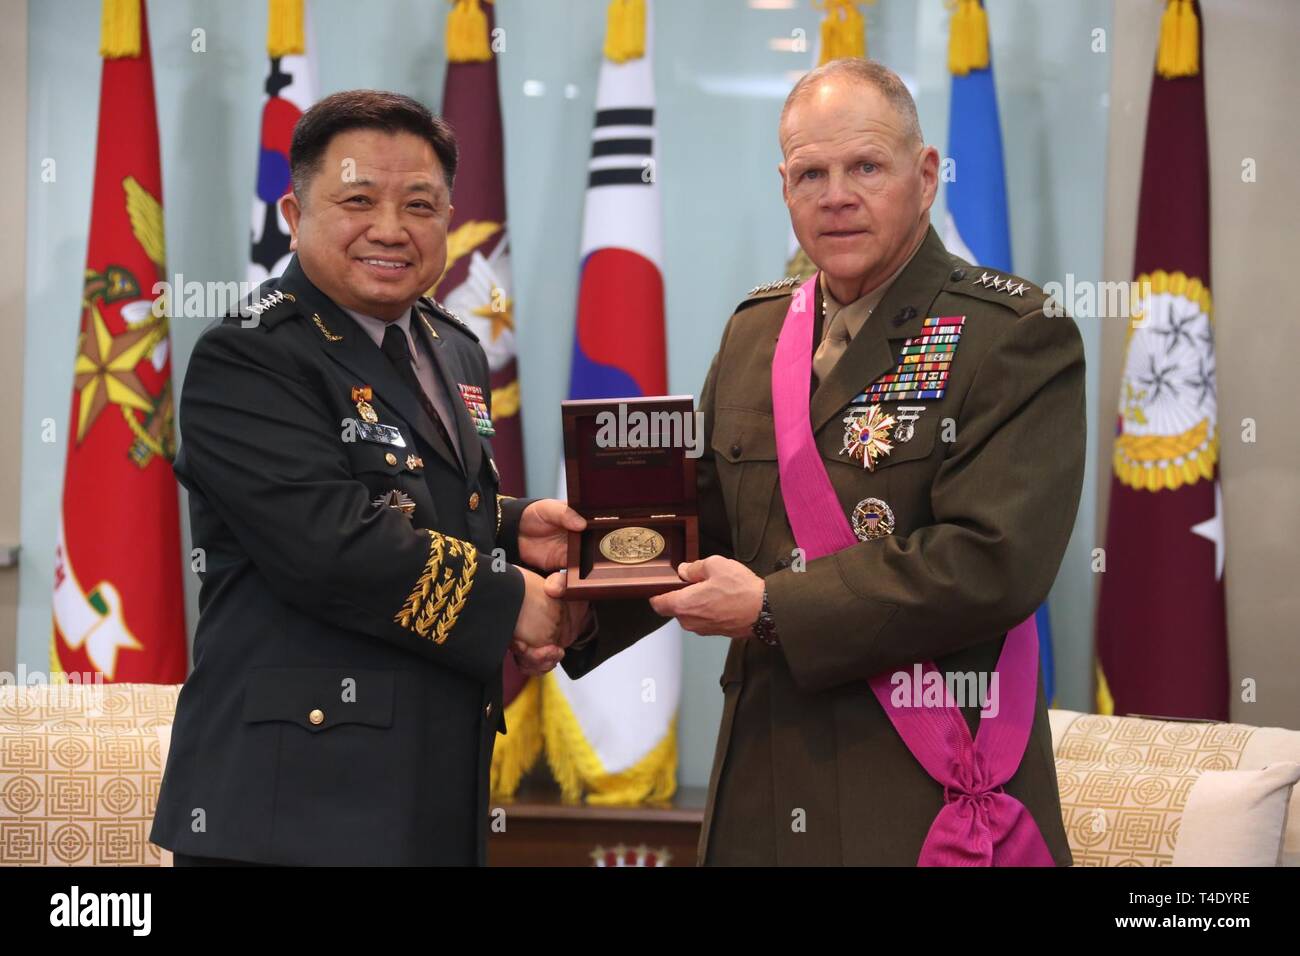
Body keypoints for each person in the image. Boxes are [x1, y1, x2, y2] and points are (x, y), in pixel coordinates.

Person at [551, 58, 1084, 866]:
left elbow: (993, 563)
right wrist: (578, 602)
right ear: (785, 185)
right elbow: (695, 523)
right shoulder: (755, 332)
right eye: (810, 173)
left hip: (914, 779)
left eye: (866, 166)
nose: (836, 194)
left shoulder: (1012, 332)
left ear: (927, 173)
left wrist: (773, 607)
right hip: (764, 771)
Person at [150, 90, 586, 866]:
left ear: (449, 215)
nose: (391, 229)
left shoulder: (451, 347)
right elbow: (331, 545)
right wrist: (510, 597)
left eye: (419, 204)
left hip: (434, 787)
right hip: (290, 812)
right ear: (293, 211)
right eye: (358, 200)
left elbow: (413, 490)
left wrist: (516, 525)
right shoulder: (250, 355)